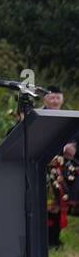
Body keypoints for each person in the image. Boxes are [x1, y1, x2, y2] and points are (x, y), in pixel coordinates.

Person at [42, 88, 69, 248]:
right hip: (42, 167)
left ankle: (55, 240)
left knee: (59, 205)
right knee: (44, 205)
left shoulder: (69, 117)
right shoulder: (38, 117)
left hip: (62, 167)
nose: (55, 101)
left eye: (58, 98)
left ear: (62, 100)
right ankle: (43, 239)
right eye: (52, 98)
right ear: (45, 100)